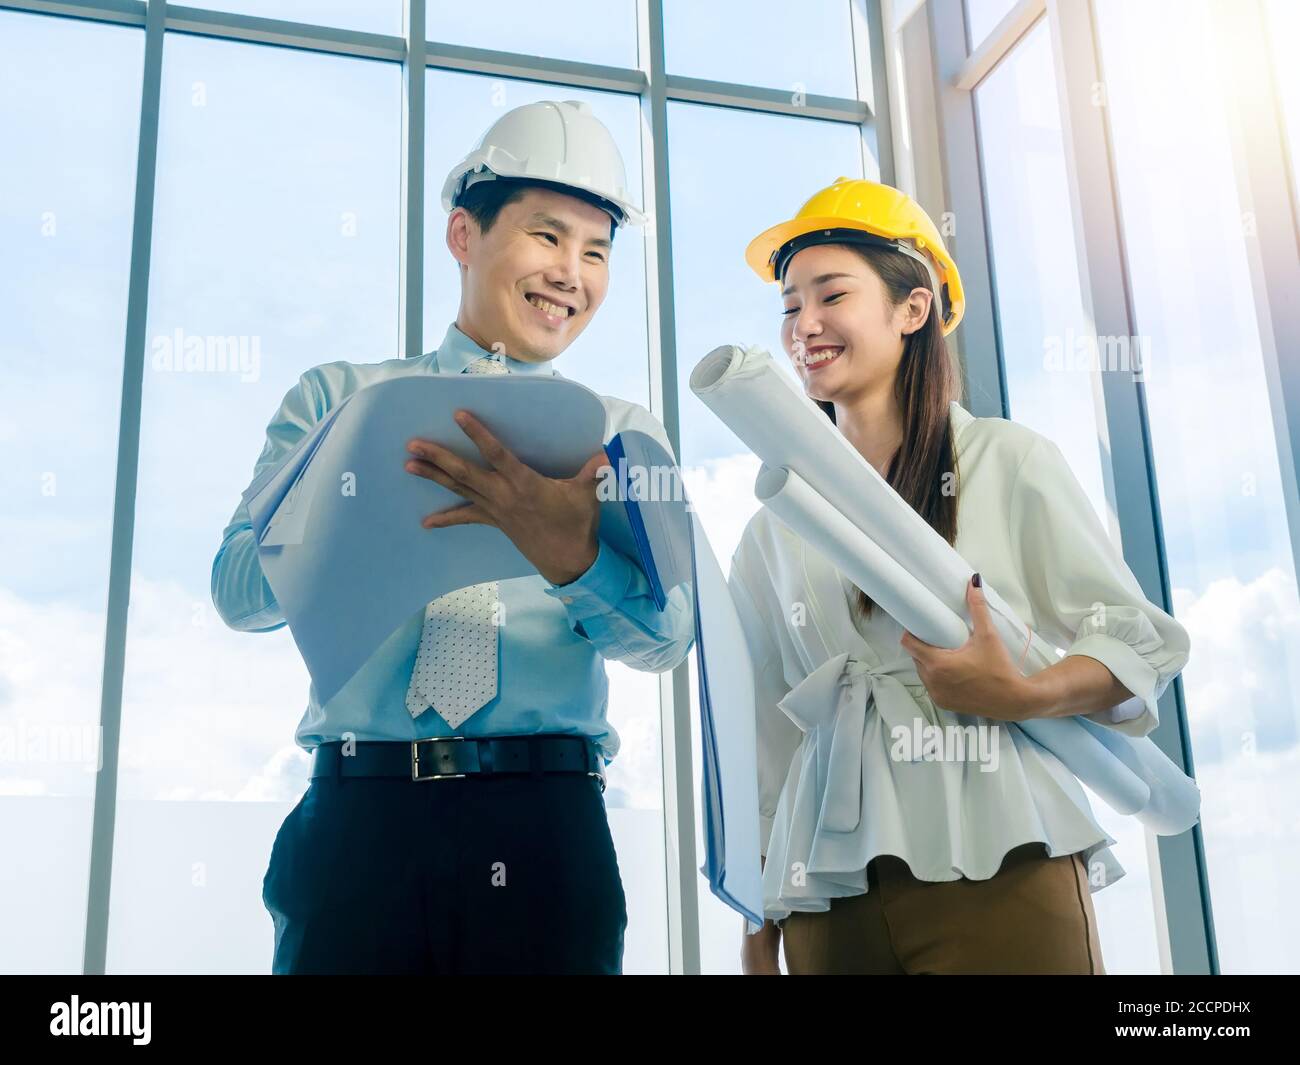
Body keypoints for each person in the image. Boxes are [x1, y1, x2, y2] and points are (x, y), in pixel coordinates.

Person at [210, 100, 694, 975]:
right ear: (464, 235)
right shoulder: (338, 400)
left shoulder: (621, 434)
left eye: (595, 250)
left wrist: (571, 558)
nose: (571, 273)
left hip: (545, 827)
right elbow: (236, 590)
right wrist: (349, 511)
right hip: (360, 821)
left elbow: (668, 638)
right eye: (547, 237)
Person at [729, 176, 1190, 975]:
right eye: (790, 305)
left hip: (1001, 855)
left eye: (830, 294)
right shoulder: (773, 525)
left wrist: (1022, 693)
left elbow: (1135, 637)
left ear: (913, 310)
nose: (804, 325)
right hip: (826, 888)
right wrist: (758, 908)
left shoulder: (1004, 462)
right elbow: (763, 731)